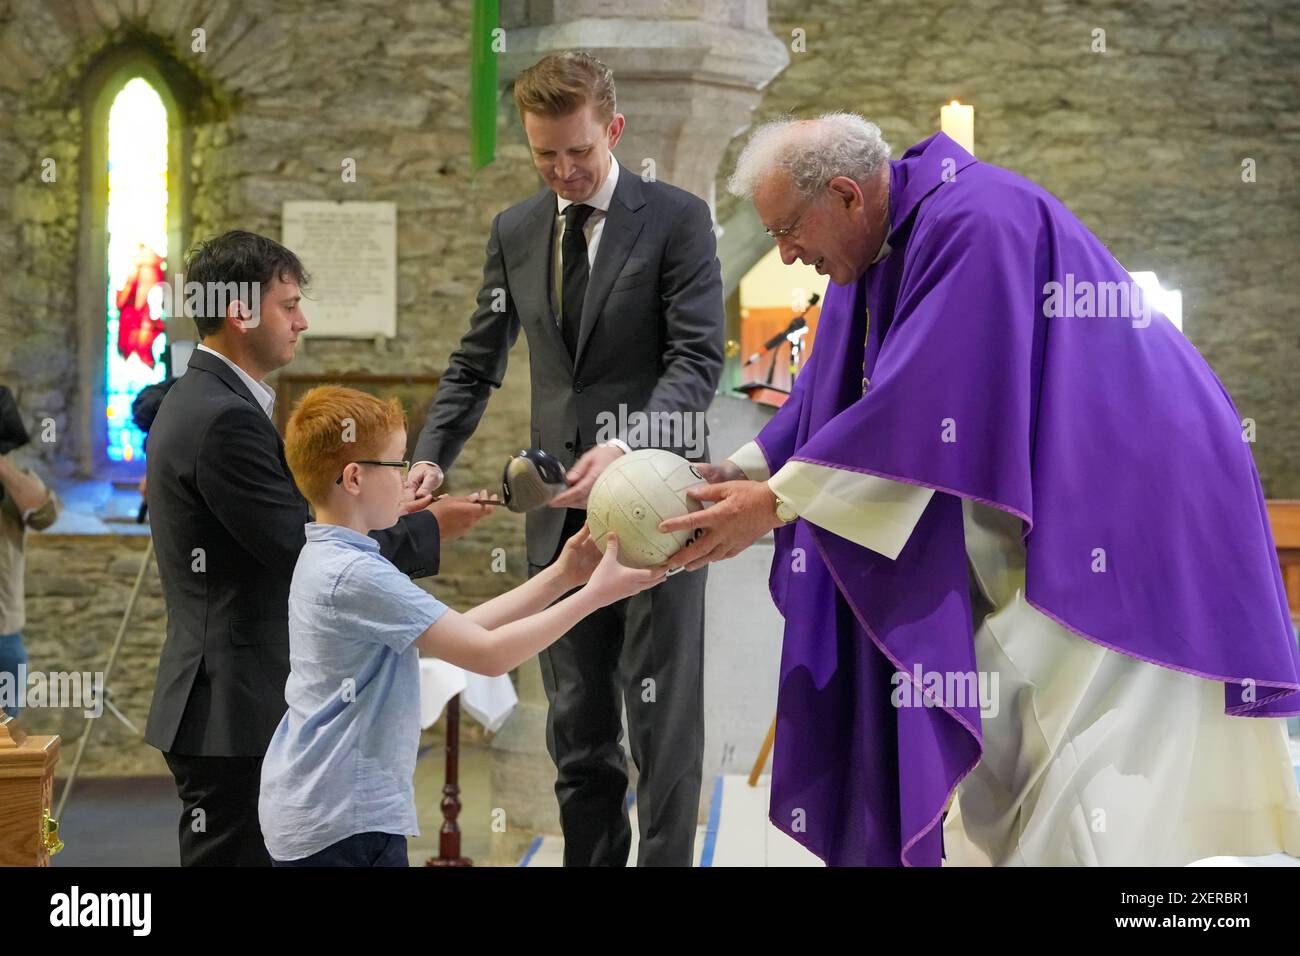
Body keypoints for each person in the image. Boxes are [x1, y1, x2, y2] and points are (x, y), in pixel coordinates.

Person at [659, 113, 1300, 866]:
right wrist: (746, 471)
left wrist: (775, 505)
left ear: (844, 194)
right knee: (1021, 726)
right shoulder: (877, 253)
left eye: (788, 230)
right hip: (1066, 496)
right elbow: (830, 401)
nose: (787, 253)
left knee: (1106, 750)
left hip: (1133, 501)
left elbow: (926, 404)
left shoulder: (976, 221)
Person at [404, 52, 725, 866]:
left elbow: (696, 361)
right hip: (559, 523)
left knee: (661, 725)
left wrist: (628, 442)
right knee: (578, 733)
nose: (563, 169)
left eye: (578, 151)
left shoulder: (678, 219)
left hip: (661, 509)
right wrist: (432, 457)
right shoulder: (515, 231)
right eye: (544, 154)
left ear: (613, 131)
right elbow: (478, 361)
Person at [143, 231, 495, 866]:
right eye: (289, 304)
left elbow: (289, 524)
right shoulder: (221, 415)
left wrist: (381, 502)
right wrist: (432, 527)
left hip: (227, 695)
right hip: (234, 701)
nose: (302, 321)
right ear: (239, 311)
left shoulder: (206, 398)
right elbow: (300, 552)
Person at [259, 385, 663, 866]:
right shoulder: (353, 573)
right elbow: (489, 655)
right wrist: (596, 595)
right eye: (397, 464)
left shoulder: (337, 555)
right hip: (341, 821)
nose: (408, 477)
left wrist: (565, 576)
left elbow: (462, 632)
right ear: (354, 478)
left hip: (332, 808)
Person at [0, 390, 63, 720]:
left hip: (2, 633)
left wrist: (2, 467)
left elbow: (44, 514)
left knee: (5, 743)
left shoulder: (12, 481)